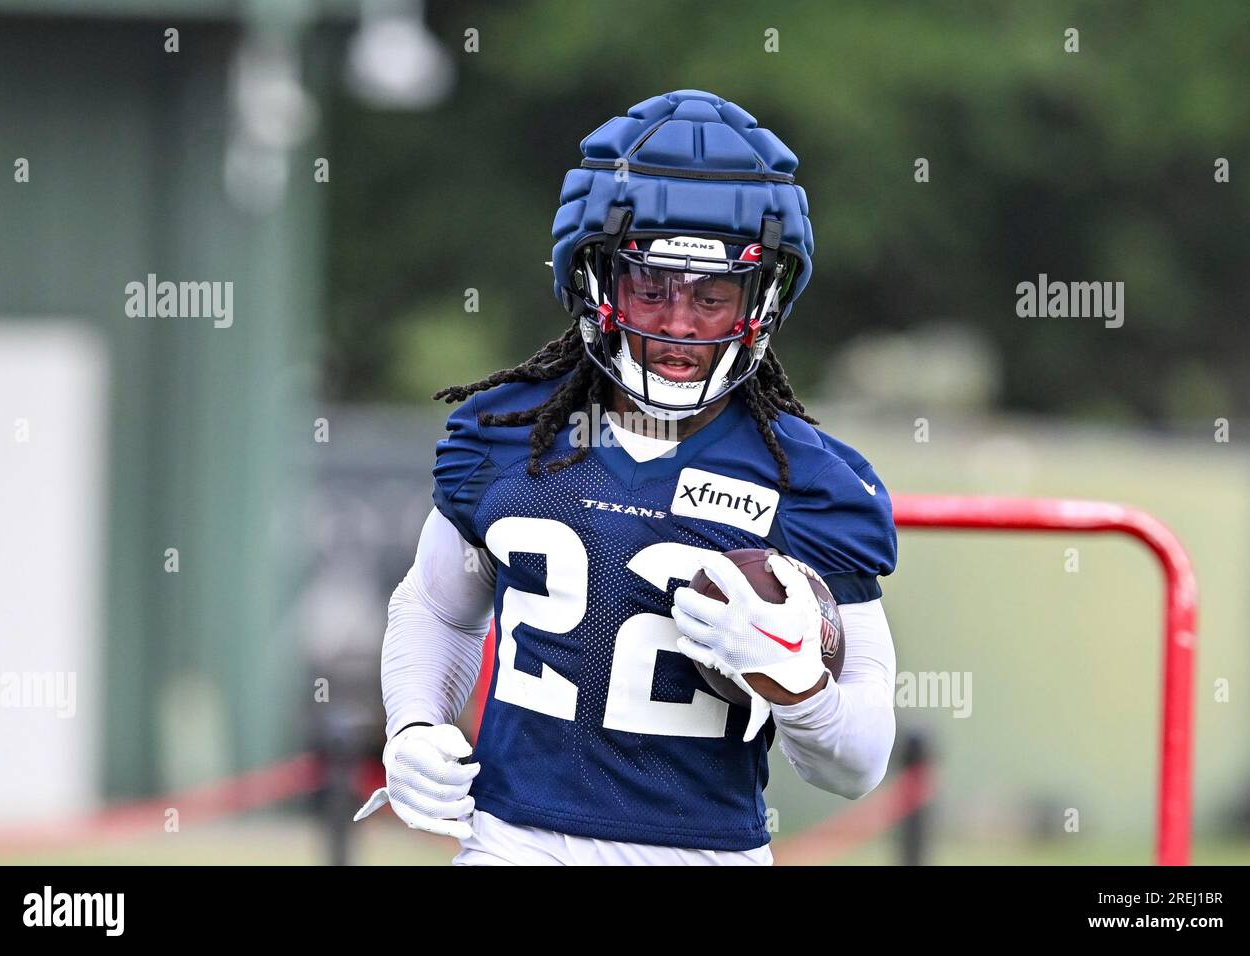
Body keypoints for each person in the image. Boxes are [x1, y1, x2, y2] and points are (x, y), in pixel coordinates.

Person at [355, 89, 898, 865]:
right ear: (596, 279)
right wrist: (412, 723)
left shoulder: (807, 479)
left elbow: (861, 762)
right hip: (514, 845)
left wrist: (798, 683)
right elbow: (438, 609)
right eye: (652, 287)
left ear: (762, 298)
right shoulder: (506, 432)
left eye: (712, 297)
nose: (678, 324)